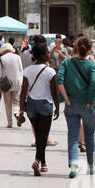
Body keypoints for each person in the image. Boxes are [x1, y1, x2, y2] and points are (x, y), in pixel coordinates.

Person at [56, 36, 95, 177]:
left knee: (73, 135)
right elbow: (94, 83)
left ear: (74, 48)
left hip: (71, 104)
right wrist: (90, 99)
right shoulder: (92, 65)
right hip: (87, 104)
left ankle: (74, 165)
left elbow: (59, 80)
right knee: (89, 135)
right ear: (89, 50)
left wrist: (66, 98)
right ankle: (91, 165)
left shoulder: (67, 63)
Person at [18, 42, 60, 175]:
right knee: (43, 135)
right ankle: (37, 160)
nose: (49, 55)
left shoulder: (28, 70)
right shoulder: (50, 71)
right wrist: (57, 107)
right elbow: (54, 92)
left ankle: (43, 163)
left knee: (39, 136)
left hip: (31, 106)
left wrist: (21, 110)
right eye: (48, 53)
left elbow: (23, 92)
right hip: (45, 105)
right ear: (42, 55)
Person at [0, 41, 24, 128]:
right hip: (17, 82)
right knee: (16, 101)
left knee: (8, 103)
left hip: (6, 84)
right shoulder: (17, 57)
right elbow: (21, 70)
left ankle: (9, 122)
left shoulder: (1, 59)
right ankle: (17, 113)